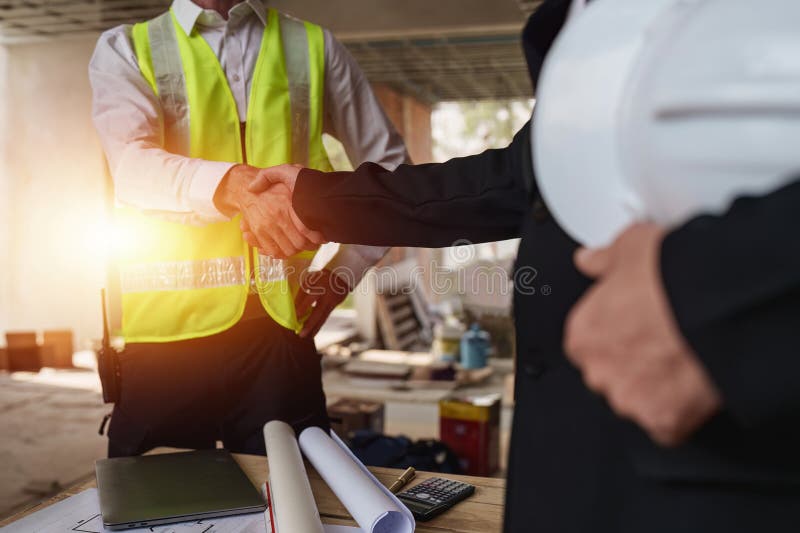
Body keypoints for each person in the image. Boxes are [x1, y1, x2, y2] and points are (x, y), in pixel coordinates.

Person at [240, 0, 800, 531]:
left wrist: (715, 299)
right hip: (579, 453)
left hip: (737, 453)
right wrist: (323, 200)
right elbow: (517, 178)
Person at [89, 0, 408, 457]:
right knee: (155, 514)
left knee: (296, 513)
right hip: (164, 340)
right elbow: (133, 169)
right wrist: (234, 184)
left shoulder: (313, 47)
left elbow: (390, 172)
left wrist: (346, 270)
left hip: (279, 338)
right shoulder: (127, 48)